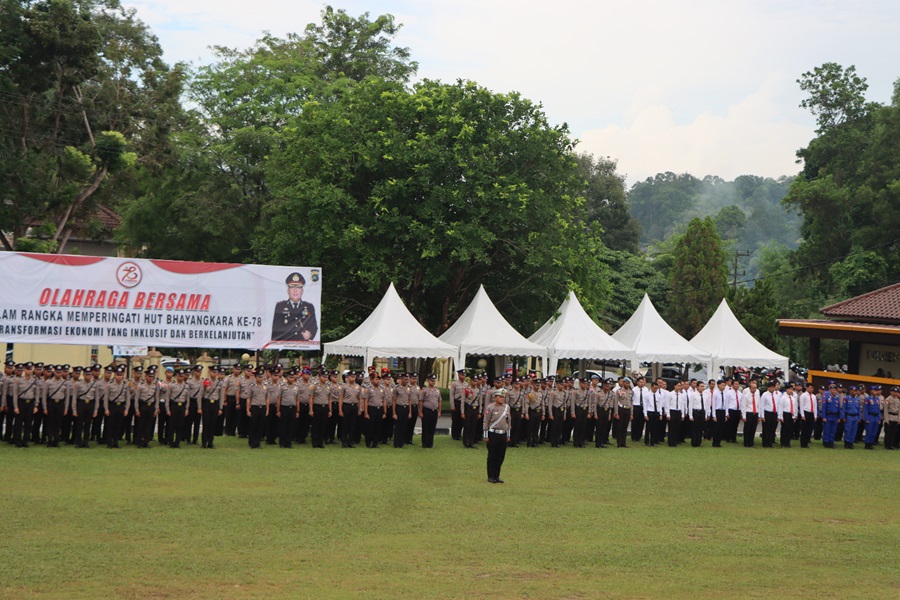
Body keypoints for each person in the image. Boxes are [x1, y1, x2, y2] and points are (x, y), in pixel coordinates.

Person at [271, 272, 318, 342]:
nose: (295, 290)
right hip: (284, 344)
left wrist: (310, 334)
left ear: (302, 291)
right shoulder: (280, 306)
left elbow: (314, 327)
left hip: (303, 346)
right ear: (288, 290)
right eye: (292, 287)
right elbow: (275, 328)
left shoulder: (309, 307)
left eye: (298, 287)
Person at [483, 388, 511, 483]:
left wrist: (508, 435)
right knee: (492, 455)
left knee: (500, 456)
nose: (502, 399)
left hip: (503, 434)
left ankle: (497, 475)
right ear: (495, 397)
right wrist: (486, 435)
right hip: (493, 433)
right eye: (500, 397)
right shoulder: (490, 407)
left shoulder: (507, 407)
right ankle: (491, 476)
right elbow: (486, 421)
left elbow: (508, 422)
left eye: (503, 397)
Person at [104, 365, 131, 449]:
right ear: (114, 375)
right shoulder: (109, 385)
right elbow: (106, 398)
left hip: (121, 406)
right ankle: (109, 442)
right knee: (110, 425)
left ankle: (116, 442)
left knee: (118, 425)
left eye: (121, 375)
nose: (119, 377)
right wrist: (106, 409)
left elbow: (128, 398)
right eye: (117, 375)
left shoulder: (126, 385)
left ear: (123, 376)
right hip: (112, 406)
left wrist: (126, 409)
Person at [133, 366, 160, 448]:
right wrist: (137, 409)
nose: (151, 378)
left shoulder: (155, 386)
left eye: (152, 376)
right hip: (143, 406)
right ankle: (139, 442)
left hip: (151, 406)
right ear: (145, 377)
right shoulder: (140, 386)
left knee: (149, 425)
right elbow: (136, 398)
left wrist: (156, 409)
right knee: (141, 425)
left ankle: (146, 441)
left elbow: (157, 398)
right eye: (149, 376)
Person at [200, 365, 224, 449]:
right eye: (213, 372)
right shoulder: (205, 382)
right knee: (206, 424)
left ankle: (210, 442)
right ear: (210, 372)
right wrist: (199, 407)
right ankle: (204, 443)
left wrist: (220, 408)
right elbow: (200, 395)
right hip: (206, 403)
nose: (215, 373)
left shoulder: (220, 383)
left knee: (213, 424)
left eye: (216, 372)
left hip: (215, 404)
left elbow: (221, 396)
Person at [361, 372, 387, 448]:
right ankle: (368, 442)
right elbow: (366, 401)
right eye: (376, 379)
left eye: (379, 379)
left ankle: (376, 442)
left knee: (378, 427)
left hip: (380, 409)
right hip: (371, 409)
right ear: (372, 380)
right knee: (370, 427)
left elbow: (384, 401)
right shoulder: (368, 389)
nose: (378, 381)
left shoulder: (382, 389)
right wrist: (366, 412)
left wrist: (385, 412)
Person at [165, 368, 189, 448]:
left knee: (180, 425)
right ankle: (171, 442)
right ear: (176, 376)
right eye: (179, 376)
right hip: (173, 406)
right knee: (172, 425)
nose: (181, 377)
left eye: (182, 376)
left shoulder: (186, 386)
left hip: (182, 406)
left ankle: (177, 442)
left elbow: (187, 399)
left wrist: (187, 409)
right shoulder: (172, 385)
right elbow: (167, 398)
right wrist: (167, 409)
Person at [247, 367, 269, 449]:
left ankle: (258, 442)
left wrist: (267, 409)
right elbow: (249, 398)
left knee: (260, 426)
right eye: (259, 377)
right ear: (255, 377)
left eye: (262, 377)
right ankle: (252, 442)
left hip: (262, 407)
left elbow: (267, 398)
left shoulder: (266, 386)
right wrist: (248, 409)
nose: (261, 378)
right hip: (254, 407)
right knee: (253, 425)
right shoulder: (252, 386)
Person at [308, 368, 331, 448]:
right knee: (315, 426)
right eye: (324, 376)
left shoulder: (328, 386)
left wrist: (330, 410)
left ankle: (320, 442)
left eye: (326, 377)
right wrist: (311, 410)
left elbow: (329, 399)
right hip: (317, 406)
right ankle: (315, 442)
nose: (325, 378)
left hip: (325, 407)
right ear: (320, 377)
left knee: (323, 425)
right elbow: (311, 398)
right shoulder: (314, 385)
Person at [338, 371, 362, 448]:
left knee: (353, 425)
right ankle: (344, 442)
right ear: (348, 377)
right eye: (351, 376)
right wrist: (340, 410)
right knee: (345, 425)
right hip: (346, 406)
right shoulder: (344, 386)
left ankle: (350, 442)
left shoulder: (358, 386)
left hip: (354, 406)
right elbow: (341, 398)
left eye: (354, 377)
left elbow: (359, 399)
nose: (353, 378)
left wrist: (360, 408)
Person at [419, 374, 441, 448]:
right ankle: (424, 443)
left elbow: (439, 401)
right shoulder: (424, 390)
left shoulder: (437, 391)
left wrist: (439, 411)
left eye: (434, 381)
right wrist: (420, 411)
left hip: (434, 411)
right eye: (432, 380)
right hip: (426, 410)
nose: (433, 382)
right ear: (428, 381)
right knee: (425, 427)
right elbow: (421, 401)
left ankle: (430, 443)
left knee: (432, 427)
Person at [740, 379, 761, 448]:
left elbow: (758, 406)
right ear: (750, 388)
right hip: (748, 413)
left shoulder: (757, 395)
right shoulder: (746, 396)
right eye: (753, 388)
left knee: (753, 429)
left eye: (755, 388)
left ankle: (751, 443)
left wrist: (759, 416)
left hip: (755, 413)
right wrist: (744, 416)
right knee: (747, 429)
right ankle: (746, 443)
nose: (754, 389)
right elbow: (743, 406)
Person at [614, 378, 633, 448]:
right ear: (623, 383)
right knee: (620, 426)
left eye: (628, 383)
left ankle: (623, 442)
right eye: (626, 383)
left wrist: (631, 413)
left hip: (628, 409)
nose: (627, 384)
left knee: (625, 427)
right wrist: (616, 413)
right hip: (621, 409)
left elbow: (631, 403)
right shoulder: (619, 391)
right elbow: (616, 402)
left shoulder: (630, 391)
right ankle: (619, 443)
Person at [760, 380, 779, 448]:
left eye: (773, 387)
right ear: (768, 388)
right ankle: (765, 443)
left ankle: (770, 443)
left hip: (774, 413)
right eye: (771, 387)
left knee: (772, 428)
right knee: (766, 429)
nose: (772, 389)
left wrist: (778, 415)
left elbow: (777, 405)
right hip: (767, 413)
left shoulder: (776, 395)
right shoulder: (765, 395)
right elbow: (762, 406)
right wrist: (762, 416)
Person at [449, 369, 467, 441]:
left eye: (464, 375)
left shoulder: (466, 384)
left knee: (461, 420)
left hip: (463, 403)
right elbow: (451, 395)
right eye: (462, 375)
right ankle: (454, 435)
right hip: (456, 402)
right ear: (459, 375)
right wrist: (452, 405)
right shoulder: (454, 384)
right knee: (455, 419)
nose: (463, 376)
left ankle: (459, 434)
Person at [798, 382, 817, 448]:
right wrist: (802, 415)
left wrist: (815, 415)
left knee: (810, 429)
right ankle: (803, 443)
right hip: (806, 412)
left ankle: (807, 441)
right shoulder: (803, 395)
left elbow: (815, 406)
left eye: (812, 388)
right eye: (810, 388)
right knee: (804, 429)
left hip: (811, 413)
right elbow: (801, 406)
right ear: (807, 388)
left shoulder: (814, 396)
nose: (811, 389)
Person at [863, 385, 882, 450]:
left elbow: (878, 409)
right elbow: (865, 409)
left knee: (874, 431)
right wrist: (866, 418)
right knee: (869, 431)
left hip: (876, 416)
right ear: (871, 391)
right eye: (874, 390)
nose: (875, 392)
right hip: (870, 416)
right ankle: (867, 444)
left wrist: (879, 418)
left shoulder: (877, 399)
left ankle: (871, 443)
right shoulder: (868, 399)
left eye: (876, 390)